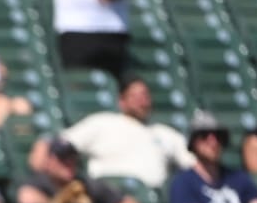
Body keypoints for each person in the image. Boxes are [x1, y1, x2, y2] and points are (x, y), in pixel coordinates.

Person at [60, 77, 191, 189]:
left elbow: (193, 166)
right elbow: (60, 144)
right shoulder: (102, 122)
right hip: (108, 198)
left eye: (145, 95)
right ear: (121, 101)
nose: (142, 101)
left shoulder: (165, 134)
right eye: (135, 96)